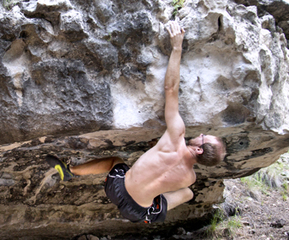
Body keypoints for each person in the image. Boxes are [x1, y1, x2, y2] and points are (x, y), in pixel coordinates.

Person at [47, 20, 226, 224]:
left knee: (116, 161)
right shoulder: (190, 178)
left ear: (200, 150)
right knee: (187, 193)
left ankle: (71, 171)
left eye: (203, 138)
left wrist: (177, 47)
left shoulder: (176, 135)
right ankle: (150, 216)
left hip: (117, 189)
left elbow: (171, 89)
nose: (200, 135)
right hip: (135, 212)